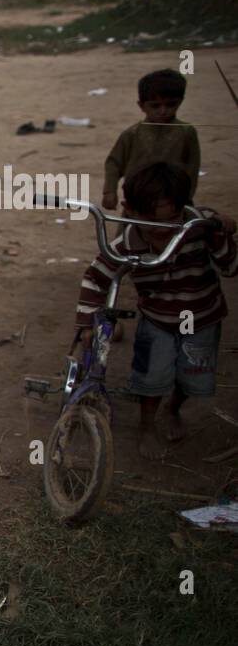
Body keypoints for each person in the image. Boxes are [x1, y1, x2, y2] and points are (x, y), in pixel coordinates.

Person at [76, 162, 237, 460]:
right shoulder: (126, 244)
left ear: (185, 207)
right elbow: (96, 277)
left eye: (172, 219)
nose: (163, 232)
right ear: (129, 210)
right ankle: (146, 426)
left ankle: (173, 407)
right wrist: (87, 323)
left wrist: (221, 235)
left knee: (193, 377)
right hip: (158, 321)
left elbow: (231, 267)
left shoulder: (200, 227)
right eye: (150, 222)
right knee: (150, 380)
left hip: (203, 318)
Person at [101, 69, 201, 212]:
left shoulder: (186, 132)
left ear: (180, 101)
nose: (163, 111)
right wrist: (109, 191)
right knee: (132, 233)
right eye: (155, 105)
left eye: (170, 104)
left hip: (174, 203)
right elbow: (114, 163)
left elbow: (192, 169)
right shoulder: (132, 134)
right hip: (138, 202)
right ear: (141, 106)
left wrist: (185, 199)